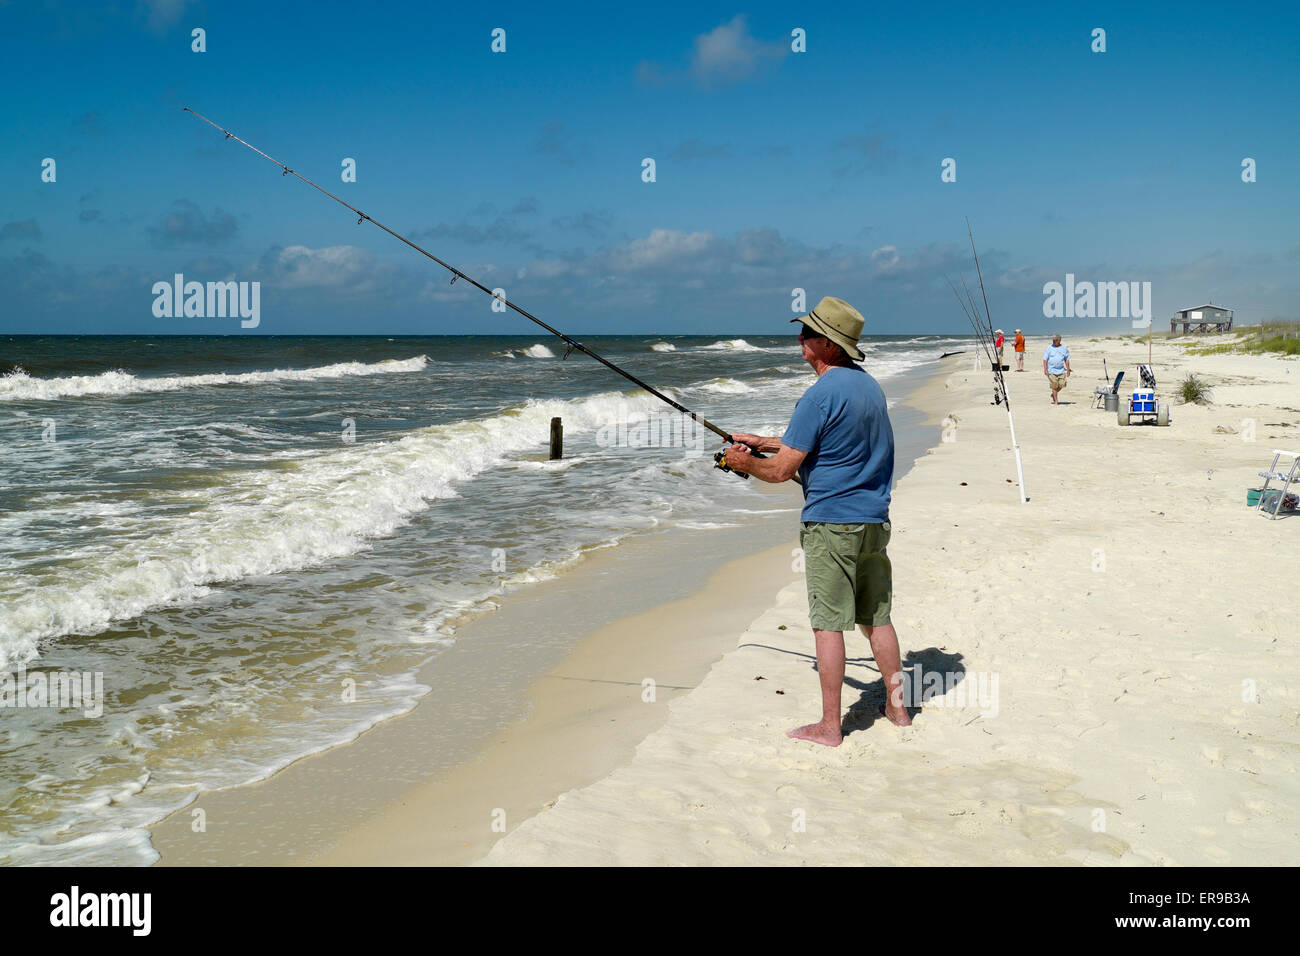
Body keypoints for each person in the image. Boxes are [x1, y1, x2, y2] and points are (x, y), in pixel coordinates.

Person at [724, 296, 910, 747]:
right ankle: (897, 707)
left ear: (827, 344)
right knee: (876, 617)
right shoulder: (868, 387)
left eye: (807, 334)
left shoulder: (819, 395)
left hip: (831, 524)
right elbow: (827, 446)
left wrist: (742, 463)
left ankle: (830, 727)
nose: (800, 340)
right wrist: (763, 442)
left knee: (828, 623)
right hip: (872, 521)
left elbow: (782, 471)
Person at [1042, 332, 1071, 404]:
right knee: (1054, 386)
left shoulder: (1064, 348)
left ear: (1059, 340)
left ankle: (1053, 395)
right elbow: (1045, 359)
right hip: (1051, 370)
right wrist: (1045, 369)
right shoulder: (1049, 348)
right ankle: (1056, 401)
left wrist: (1068, 369)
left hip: (1061, 370)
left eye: (1055, 340)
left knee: (1062, 384)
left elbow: (1066, 359)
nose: (1053, 341)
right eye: (1053, 340)